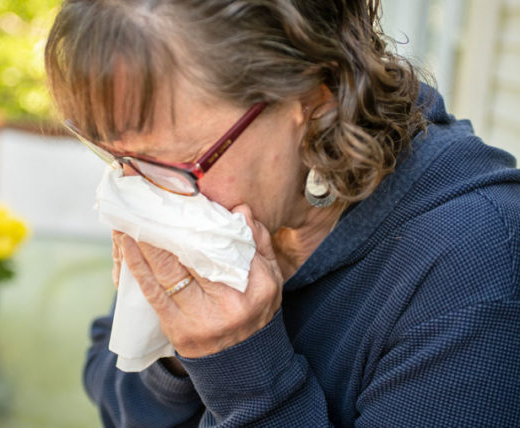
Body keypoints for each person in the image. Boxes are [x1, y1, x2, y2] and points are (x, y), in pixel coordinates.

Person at [45, 1, 520, 426]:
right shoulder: (175, 193)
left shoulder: (476, 268)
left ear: (316, 101)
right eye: (118, 158)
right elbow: (110, 393)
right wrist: (172, 349)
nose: (142, 191)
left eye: (176, 163)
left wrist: (242, 370)